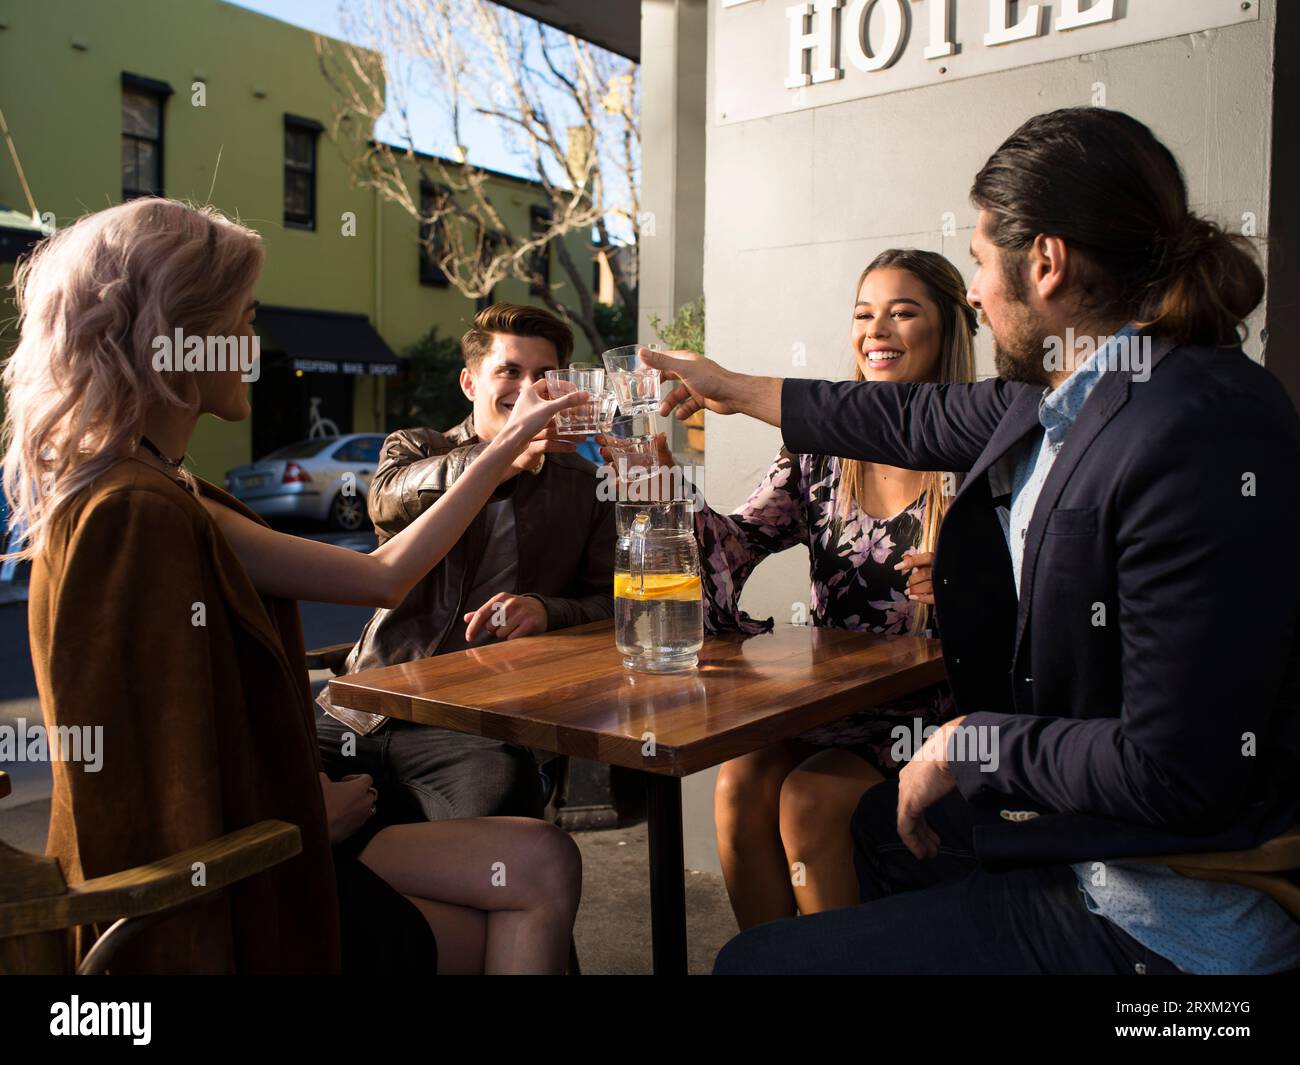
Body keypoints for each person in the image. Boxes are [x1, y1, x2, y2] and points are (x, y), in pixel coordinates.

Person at [646, 108, 1300, 975]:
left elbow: (1176, 769)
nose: (978, 294)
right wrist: (727, 383)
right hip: (1081, 841)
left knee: (752, 966)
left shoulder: (1196, 426)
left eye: (983, 264)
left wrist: (970, 745)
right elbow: (892, 414)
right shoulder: (1060, 396)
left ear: (1047, 263)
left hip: (1162, 924)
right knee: (876, 832)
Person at [4, 198, 583, 974]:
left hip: (290, 832)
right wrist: (303, 809)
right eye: (242, 320)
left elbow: (380, 576)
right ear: (175, 339)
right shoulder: (133, 512)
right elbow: (143, 784)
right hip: (234, 890)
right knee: (508, 909)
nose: (254, 344)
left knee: (544, 857)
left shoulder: (162, 488)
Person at [640, 250, 974, 927]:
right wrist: (668, 494)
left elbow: (1052, 591)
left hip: (939, 714)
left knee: (809, 799)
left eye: (903, 312)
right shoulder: (821, 449)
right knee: (735, 782)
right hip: (837, 702)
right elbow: (737, 544)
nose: (876, 330)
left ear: (949, 330)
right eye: (863, 314)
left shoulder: (981, 450)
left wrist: (975, 582)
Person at [316, 303, 615, 822]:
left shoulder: (586, 487)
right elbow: (385, 501)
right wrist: (504, 454)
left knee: (497, 826)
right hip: (372, 704)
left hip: (484, 726)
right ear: (469, 383)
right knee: (263, 798)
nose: (527, 391)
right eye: (509, 371)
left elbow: (615, 606)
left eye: (544, 377)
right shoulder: (415, 448)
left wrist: (548, 611)